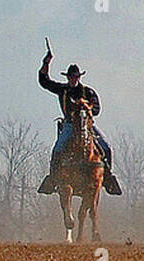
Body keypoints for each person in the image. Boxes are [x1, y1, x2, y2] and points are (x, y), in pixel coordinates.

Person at [36, 50, 123, 195]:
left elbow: (97, 109)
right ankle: (53, 179)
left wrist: (87, 108)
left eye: (75, 77)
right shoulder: (62, 90)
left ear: (79, 77)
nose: (73, 80)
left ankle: (108, 179)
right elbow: (44, 82)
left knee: (106, 148)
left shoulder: (88, 92)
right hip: (70, 125)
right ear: (68, 77)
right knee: (57, 150)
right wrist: (46, 62)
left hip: (87, 125)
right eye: (71, 77)